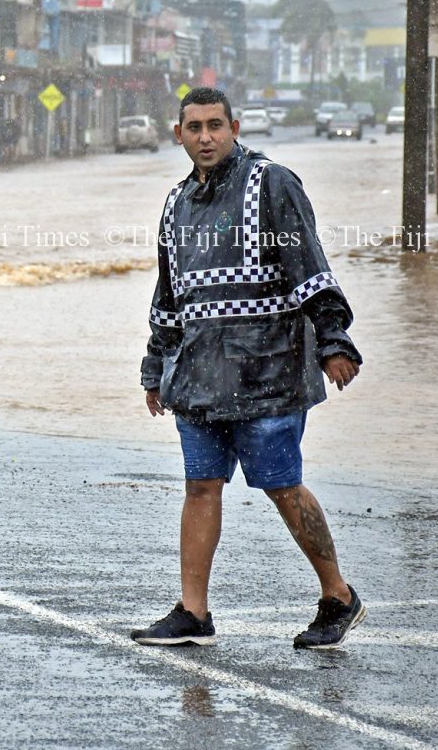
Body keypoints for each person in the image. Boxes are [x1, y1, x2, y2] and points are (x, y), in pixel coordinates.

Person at [133, 87, 365, 649]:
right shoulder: (175, 204)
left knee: (282, 488)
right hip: (197, 376)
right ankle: (194, 612)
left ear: (234, 127)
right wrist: (154, 364)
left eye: (216, 125)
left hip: (270, 373)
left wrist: (335, 340)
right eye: (195, 128)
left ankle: (338, 596)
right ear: (179, 135)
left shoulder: (272, 183)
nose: (206, 137)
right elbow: (170, 294)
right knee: (200, 486)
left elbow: (310, 266)